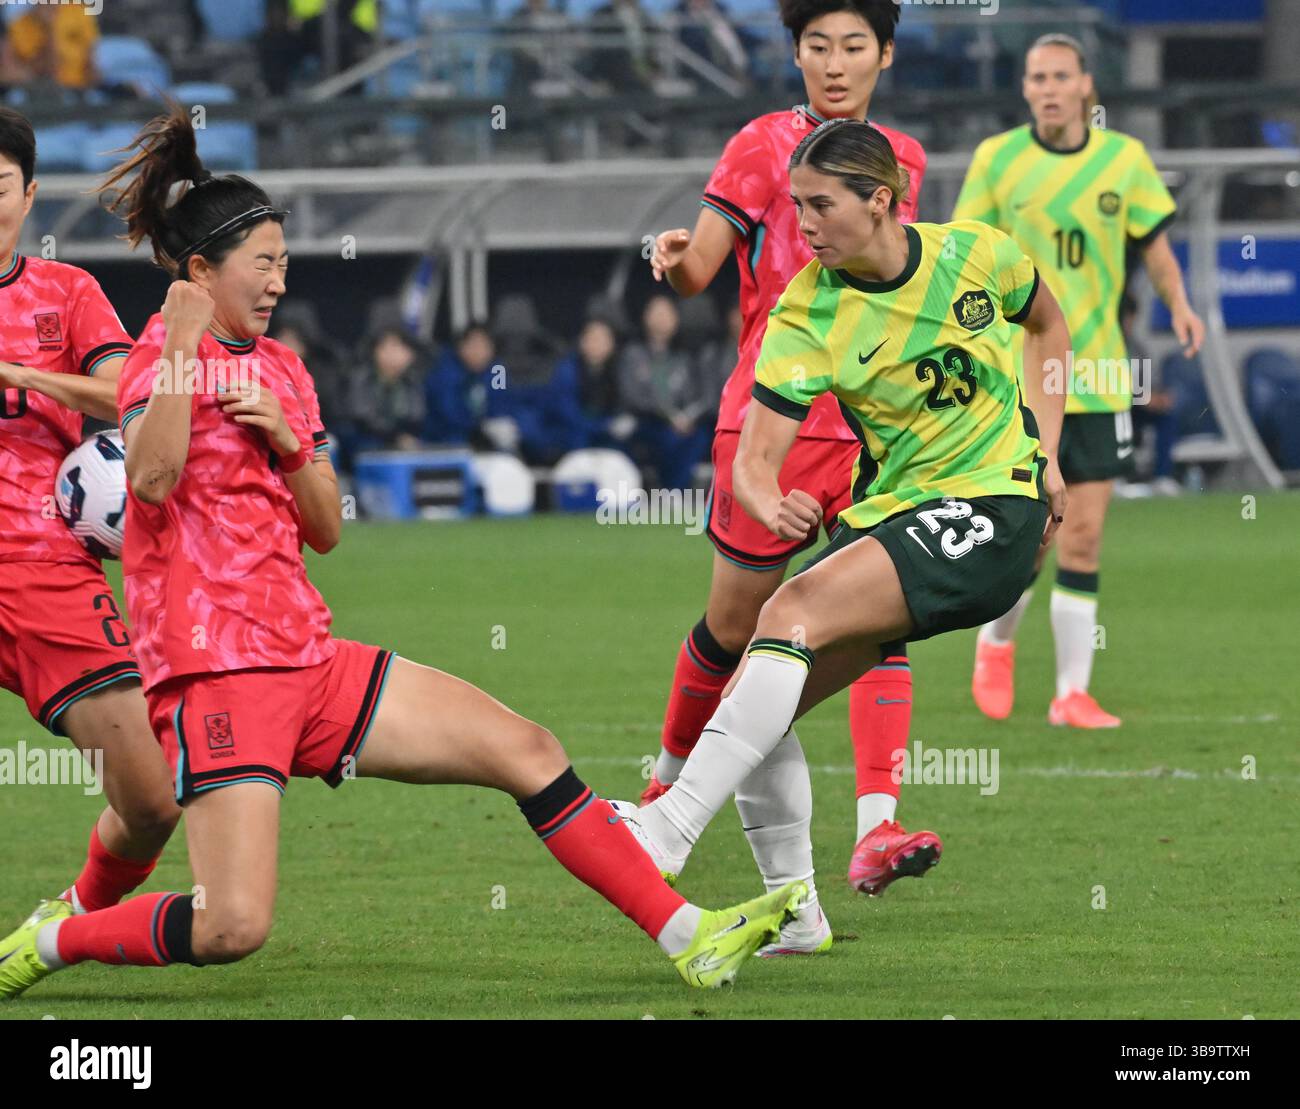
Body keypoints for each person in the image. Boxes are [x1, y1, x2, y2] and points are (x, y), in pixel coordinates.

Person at [0, 107, 801, 999]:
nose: (277, 281)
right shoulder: (158, 358)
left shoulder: (285, 370)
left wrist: (290, 444)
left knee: (525, 748)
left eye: (283, 262)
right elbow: (148, 481)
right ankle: (53, 940)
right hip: (218, 674)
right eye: (260, 263)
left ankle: (687, 932)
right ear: (199, 273)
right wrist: (183, 340)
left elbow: (326, 527)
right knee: (232, 925)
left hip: (309, 658)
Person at [630, 118, 1070, 905]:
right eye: (796, 205)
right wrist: (771, 499)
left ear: (880, 200)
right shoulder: (808, 308)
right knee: (754, 705)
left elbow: (1049, 324)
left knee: (790, 606)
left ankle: (667, 829)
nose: (803, 225)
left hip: (996, 507)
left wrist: (1048, 451)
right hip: (898, 513)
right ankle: (796, 910)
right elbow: (755, 463)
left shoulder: (977, 253)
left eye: (820, 205)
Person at [643, 0, 932, 954]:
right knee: (736, 633)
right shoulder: (762, 145)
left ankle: (878, 824)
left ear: (885, 55)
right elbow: (705, 268)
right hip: (771, 419)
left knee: (878, 610)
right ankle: (671, 779)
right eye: (818, 46)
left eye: (855, 45)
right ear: (796, 54)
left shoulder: (903, 160)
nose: (836, 63)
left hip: (873, 421)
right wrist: (676, 263)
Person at [954, 33, 1205, 728]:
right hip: (1023, 376)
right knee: (1034, 532)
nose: (1050, 87)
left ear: (1087, 85)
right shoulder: (997, 161)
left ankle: (1071, 693)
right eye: (1037, 76)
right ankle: (996, 642)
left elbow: (1154, 249)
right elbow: (967, 256)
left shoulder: (1123, 160)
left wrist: (1181, 304)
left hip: (1096, 373)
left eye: (1062, 75)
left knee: (1085, 534)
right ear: (1026, 87)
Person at [0, 107, 180, 944]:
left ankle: (70, 924)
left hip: (40, 564)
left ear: (29, 194)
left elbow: (127, 394)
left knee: (150, 798)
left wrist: (23, 374)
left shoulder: (66, 293)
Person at [616, 294, 713, 489]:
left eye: (667, 312)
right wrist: (668, 416)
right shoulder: (632, 354)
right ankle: (661, 489)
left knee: (699, 436)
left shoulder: (683, 359)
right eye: (656, 311)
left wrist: (687, 417)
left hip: (678, 425)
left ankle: (674, 491)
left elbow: (696, 395)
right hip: (646, 422)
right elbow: (633, 397)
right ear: (645, 316)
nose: (661, 317)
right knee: (662, 438)